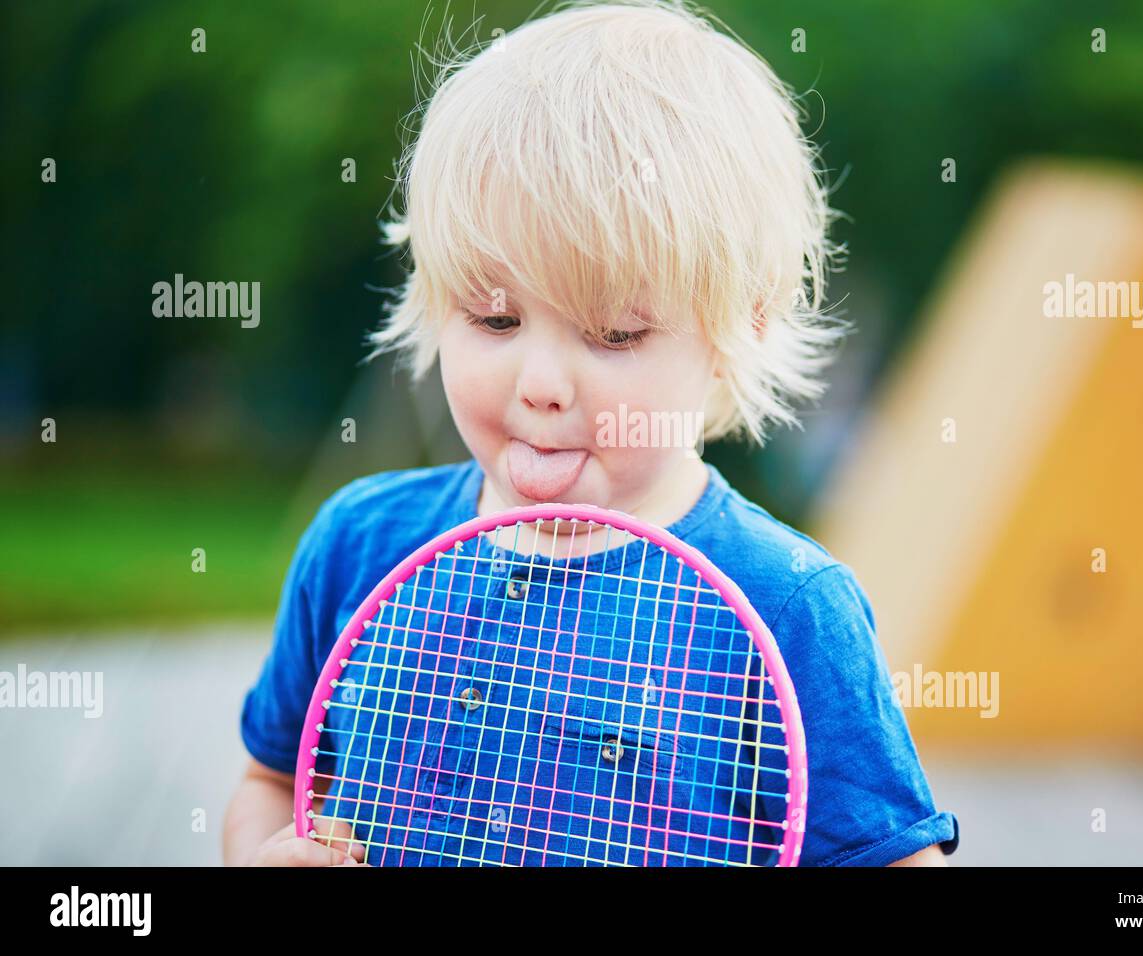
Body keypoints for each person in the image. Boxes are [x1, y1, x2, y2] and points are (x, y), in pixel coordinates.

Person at [223, 0, 958, 867]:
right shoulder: (358, 545)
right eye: (495, 319)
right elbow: (271, 780)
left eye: (614, 335)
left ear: (745, 326)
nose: (540, 386)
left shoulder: (790, 607)